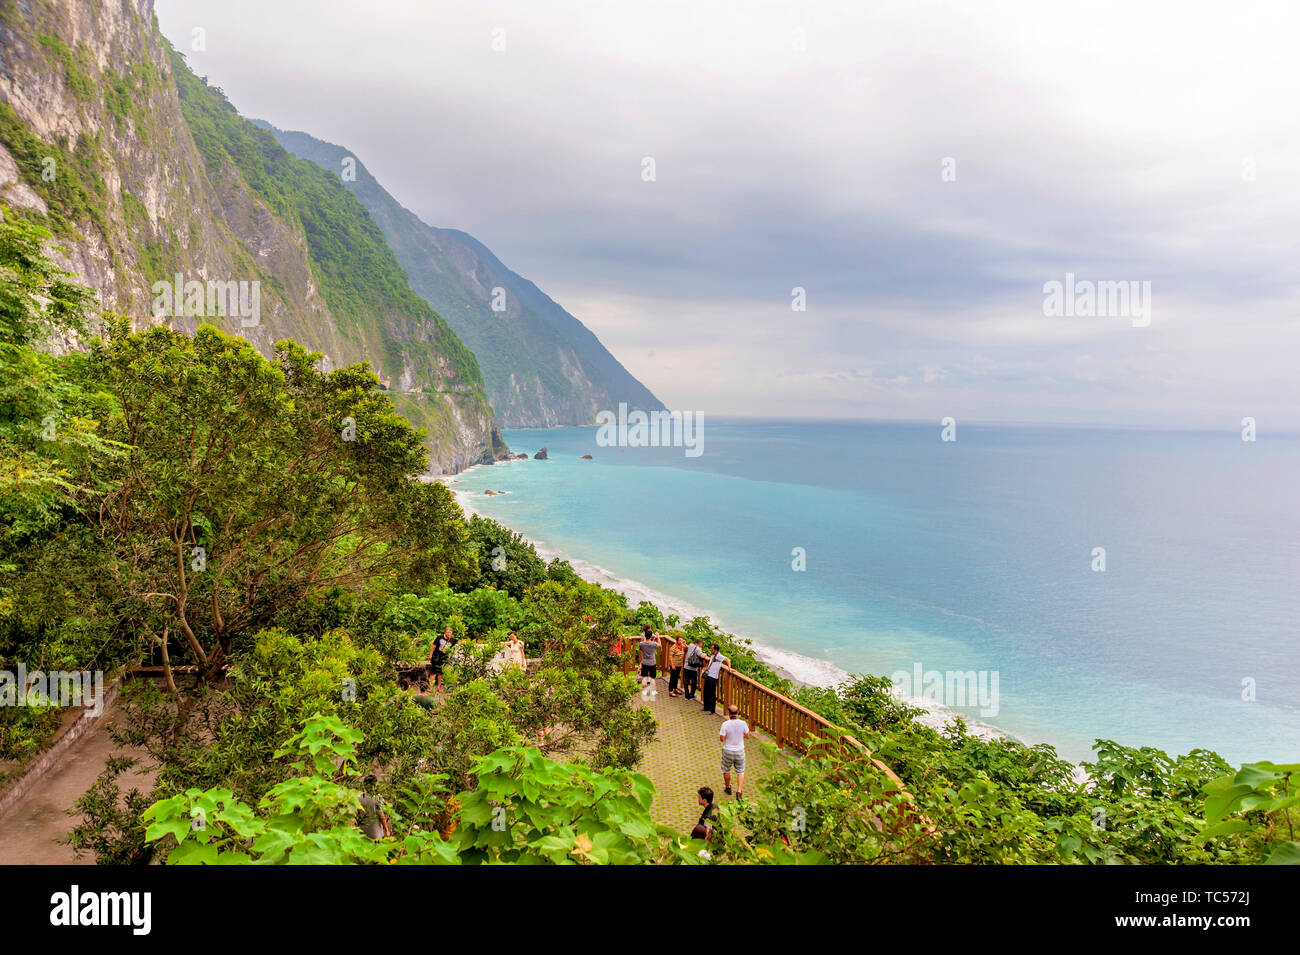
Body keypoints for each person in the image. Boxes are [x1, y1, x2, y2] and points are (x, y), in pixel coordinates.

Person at [718, 704, 751, 797]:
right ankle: (739, 791)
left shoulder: (725, 724)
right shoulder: (743, 723)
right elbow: (748, 736)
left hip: (727, 750)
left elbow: (722, 738)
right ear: (737, 713)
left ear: (729, 713)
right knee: (740, 771)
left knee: (726, 769)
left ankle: (728, 787)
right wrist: (741, 735)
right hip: (739, 751)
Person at [358, 775, 392, 839]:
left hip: (362, 834)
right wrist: (387, 830)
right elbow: (381, 816)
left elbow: (356, 816)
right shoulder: (377, 798)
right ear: (375, 785)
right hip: (375, 834)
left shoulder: (359, 798)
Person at [428, 626, 457, 694]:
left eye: (450, 632)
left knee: (440, 673)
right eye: (447, 632)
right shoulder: (439, 637)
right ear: (445, 632)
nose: (448, 633)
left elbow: (460, 643)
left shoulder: (453, 640)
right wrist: (430, 655)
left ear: (451, 633)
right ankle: (430, 688)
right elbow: (433, 645)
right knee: (433, 672)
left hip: (444, 658)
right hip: (436, 657)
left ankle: (439, 687)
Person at [701, 644, 726, 714]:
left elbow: (727, 660)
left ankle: (712, 709)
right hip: (709, 675)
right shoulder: (712, 656)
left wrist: (729, 668)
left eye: (711, 648)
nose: (710, 649)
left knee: (711, 693)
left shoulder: (719, 656)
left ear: (715, 650)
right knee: (706, 691)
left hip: (714, 677)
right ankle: (706, 707)